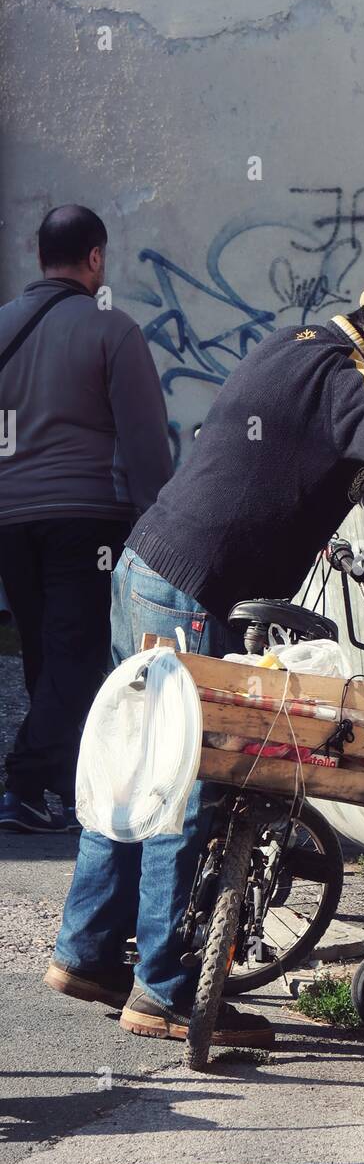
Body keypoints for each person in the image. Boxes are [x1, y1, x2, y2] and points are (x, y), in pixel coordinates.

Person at [45, 261, 364, 1051]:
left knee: (136, 768)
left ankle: (89, 954)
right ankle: (165, 993)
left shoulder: (294, 345)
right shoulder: (348, 376)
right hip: (193, 590)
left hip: (149, 570)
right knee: (186, 784)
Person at [0, 205, 172, 835]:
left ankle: (61, 791)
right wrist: (158, 523)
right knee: (77, 651)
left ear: (37, 254)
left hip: (12, 521)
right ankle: (22, 784)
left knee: (47, 651)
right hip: (86, 517)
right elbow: (146, 442)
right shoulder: (112, 329)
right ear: (95, 258)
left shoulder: (3, 325)